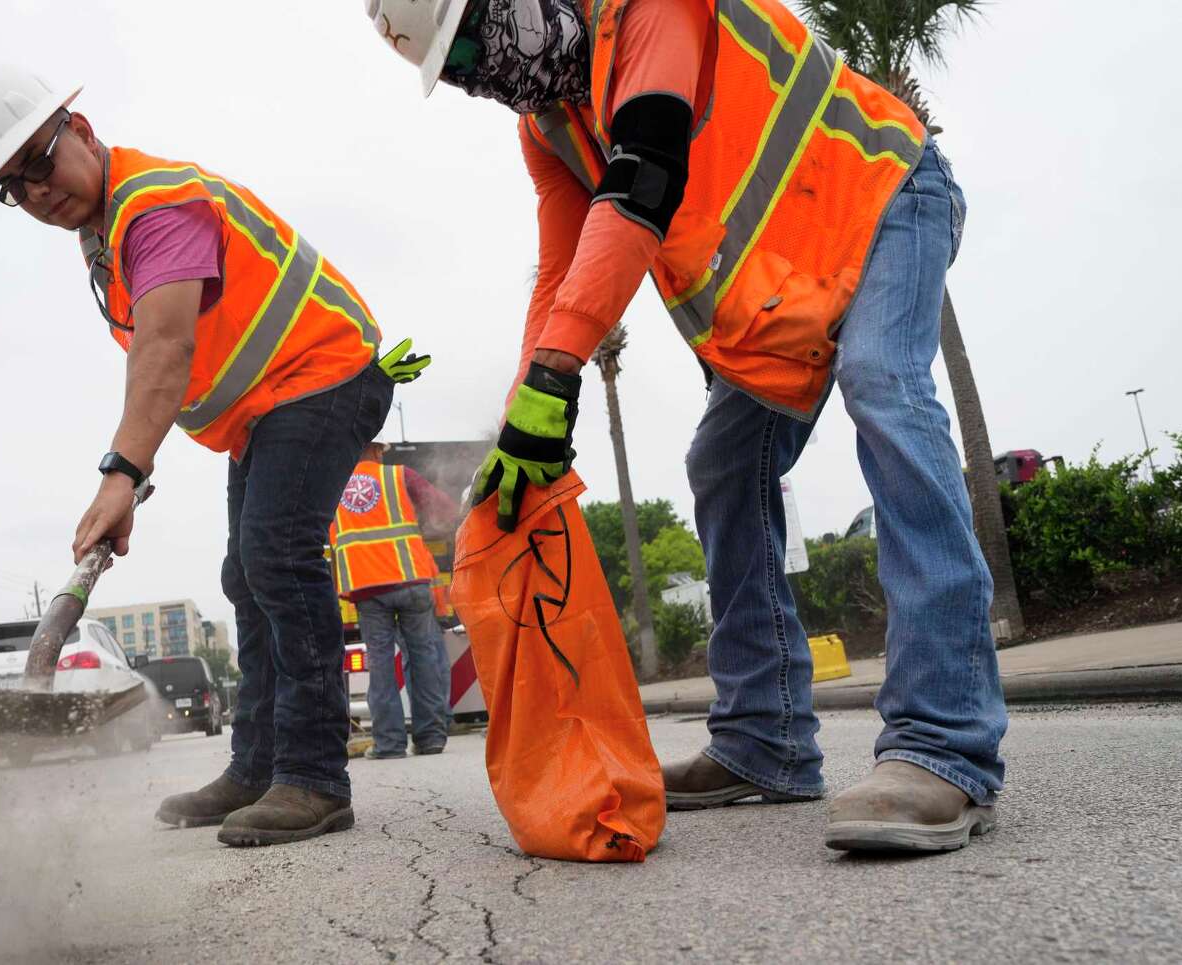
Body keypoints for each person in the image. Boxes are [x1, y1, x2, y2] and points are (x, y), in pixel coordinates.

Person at [366, 0, 1006, 852]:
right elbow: (560, 273)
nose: (486, 73)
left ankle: (943, 743)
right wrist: (523, 417)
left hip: (883, 193)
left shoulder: (644, 8)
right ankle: (765, 738)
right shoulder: (550, 128)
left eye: (478, 39)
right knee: (722, 461)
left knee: (882, 382)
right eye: (460, 68)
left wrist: (556, 376)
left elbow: (646, 172)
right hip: (792, 283)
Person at [0, 64, 429, 847]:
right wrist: (133, 478)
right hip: (265, 409)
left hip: (327, 374)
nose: (36, 190)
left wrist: (122, 472)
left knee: (277, 554)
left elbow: (166, 349)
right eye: (12, 185)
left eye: (39, 160)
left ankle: (313, 776)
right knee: (245, 573)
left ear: (81, 129)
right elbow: (165, 368)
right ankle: (257, 764)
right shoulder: (102, 235)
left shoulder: (155, 205)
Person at [331, 440, 458, 759]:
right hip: (410, 579)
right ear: (376, 451)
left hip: (367, 587)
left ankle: (389, 743)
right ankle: (430, 738)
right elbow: (443, 509)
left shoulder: (331, 485)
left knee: (382, 664)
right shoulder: (400, 476)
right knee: (423, 657)